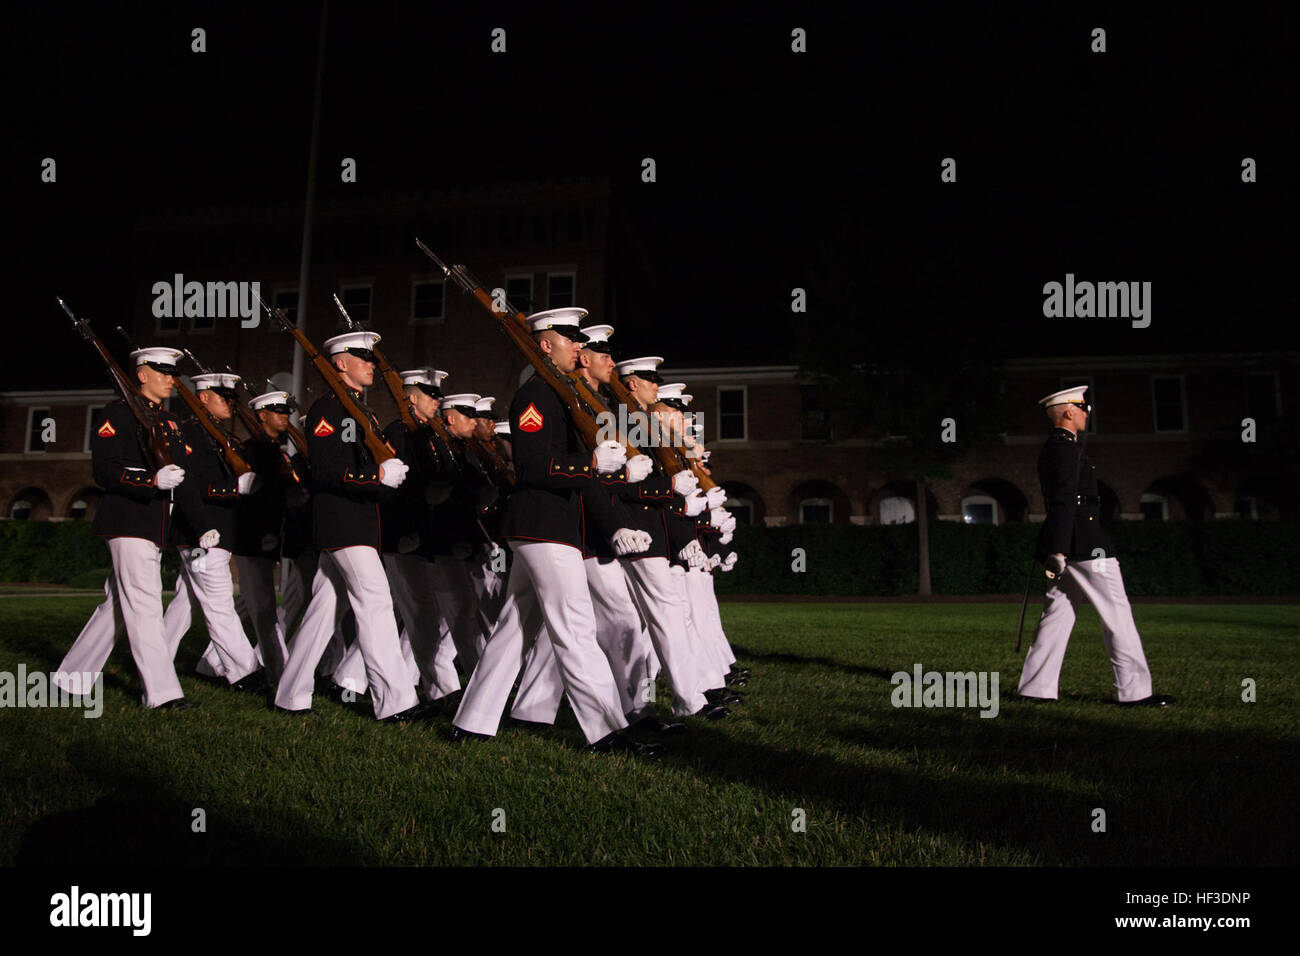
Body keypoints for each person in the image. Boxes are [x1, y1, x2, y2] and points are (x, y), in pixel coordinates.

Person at [450, 308, 657, 753]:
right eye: (570, 339)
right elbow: (530, 466)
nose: (580, 346)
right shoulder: (534, 397)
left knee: (516, 626)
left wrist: (611, 487)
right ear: (546, 344)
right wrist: (589, 464)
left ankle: (472, 720)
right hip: (542, 525)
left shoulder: (562, 396)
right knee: (574, 626)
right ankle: (606, 729)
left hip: (551, 526)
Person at [53, 347, 222, 709]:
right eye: (161, 371)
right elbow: (105, 470)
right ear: (141, 375)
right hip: (128, 520)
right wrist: (149, 481)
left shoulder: (171, 422)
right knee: (145, 604)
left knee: (119, 605)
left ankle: (70, 679)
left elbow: (184, 480)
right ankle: (162, 693)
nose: (170, 378)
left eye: (172, 372)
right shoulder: (118, 413)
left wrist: (201, 525)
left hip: (154, 524)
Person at [273, 331, 423, 721]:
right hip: (343, 524)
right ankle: (395, 702)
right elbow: (324, 472)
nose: (372, 363)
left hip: (360, 524)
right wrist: (376, 475)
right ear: (341, 364)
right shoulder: (328, 410)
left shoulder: (362, 413)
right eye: (362, 357)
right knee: (375, 603)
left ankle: (290, 693)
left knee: (324, 610)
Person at [1017, 385, 1173, 707]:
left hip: (1070, 542)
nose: (1087, 413)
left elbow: (1060, 502)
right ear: (1068, 412)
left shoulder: (1056, 447)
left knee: (1056, 616)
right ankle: (1134, 692)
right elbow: (1064, 500)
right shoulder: (1066, 449)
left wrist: (1057, 548)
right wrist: (1059, 550)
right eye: (1082, 407)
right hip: (1087, 545)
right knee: (1117, 614)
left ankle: (1036, 688)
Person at [161, 372, 263, 690]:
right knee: (219, 600)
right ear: (202, 397)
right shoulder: (189, 434)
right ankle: (245, 671)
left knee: (186, 604)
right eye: (224, 397)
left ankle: (154, 661)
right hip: (200, 534)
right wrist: (234, 487)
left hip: (219, 534)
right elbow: (189, 484)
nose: (231, 403)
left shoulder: (221, 437)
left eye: (233, 398)